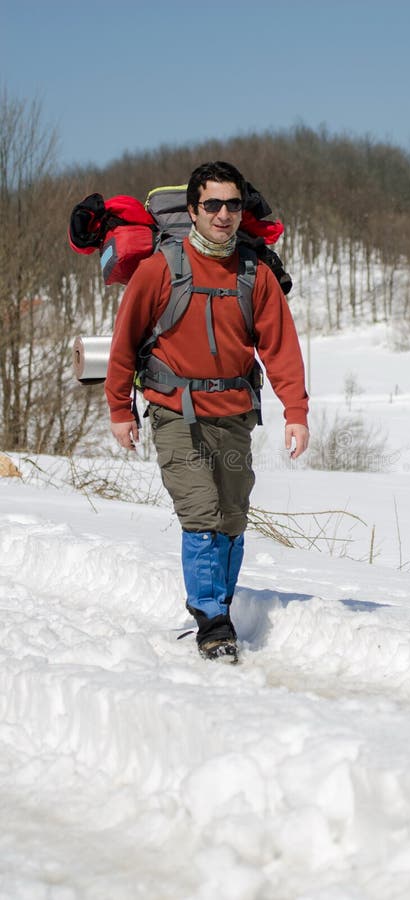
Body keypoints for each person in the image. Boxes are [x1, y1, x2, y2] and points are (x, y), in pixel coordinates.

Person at [104, 161, 309, 663]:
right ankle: (212, 619)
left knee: (233, 518)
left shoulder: (254, 273)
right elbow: (124, 342)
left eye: (233, 204)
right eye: (212, 204)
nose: (223, 214)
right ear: (193, 209)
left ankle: (220, 603)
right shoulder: (161, 269)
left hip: (235, 413)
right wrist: (119, 408)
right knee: (200, 514)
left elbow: (280, 347)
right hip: (175, 412)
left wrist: (296, 410)